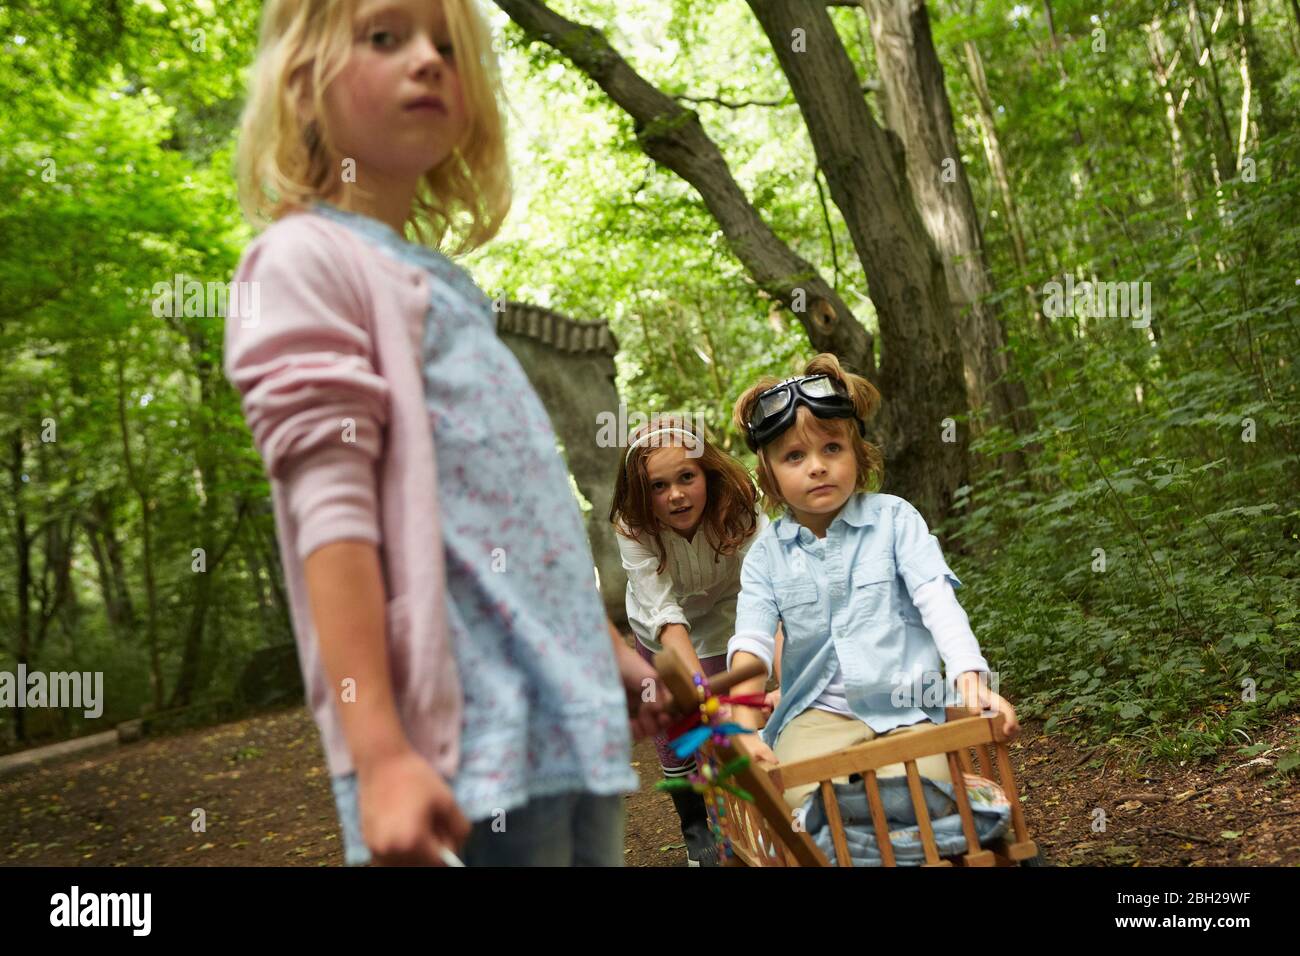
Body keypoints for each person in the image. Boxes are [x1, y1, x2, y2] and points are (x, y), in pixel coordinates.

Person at [225, 0, 665, 866]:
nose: (427, 60)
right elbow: (333, 520)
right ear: (301, 79)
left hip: (570, 732)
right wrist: (382, 753)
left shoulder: (451, 289)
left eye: (446, 46)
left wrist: (612, 654)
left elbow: (516, 523)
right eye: (385, 36)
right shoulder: (301, 263)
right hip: (461, 754)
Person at [726, 354, 1021, 811]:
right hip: (815, 716)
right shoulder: (766, 555)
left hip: (906, 709)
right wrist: (745, 724)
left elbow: (937, 601)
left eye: (831, 449)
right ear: (769, 473)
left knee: (926, 799)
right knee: (801, 798)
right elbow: (752, 642)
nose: (817, 467)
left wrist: (969, 675)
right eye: (794, 456)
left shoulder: (896, 520)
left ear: (858, 453)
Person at [609, 415, 773, 864]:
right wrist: (697, 694)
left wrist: (773, 670)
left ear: (707, 474)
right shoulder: (632, 526)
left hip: (729, 618)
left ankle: (750, 826)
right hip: (661, 629)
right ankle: (697, 833)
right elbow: (665, 616)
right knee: (679, 724)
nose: (676, 494)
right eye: (659, 486)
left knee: (736, 722)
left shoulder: (740, 505)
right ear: (643, 494)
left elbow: (768, 590)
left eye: (686, 477)